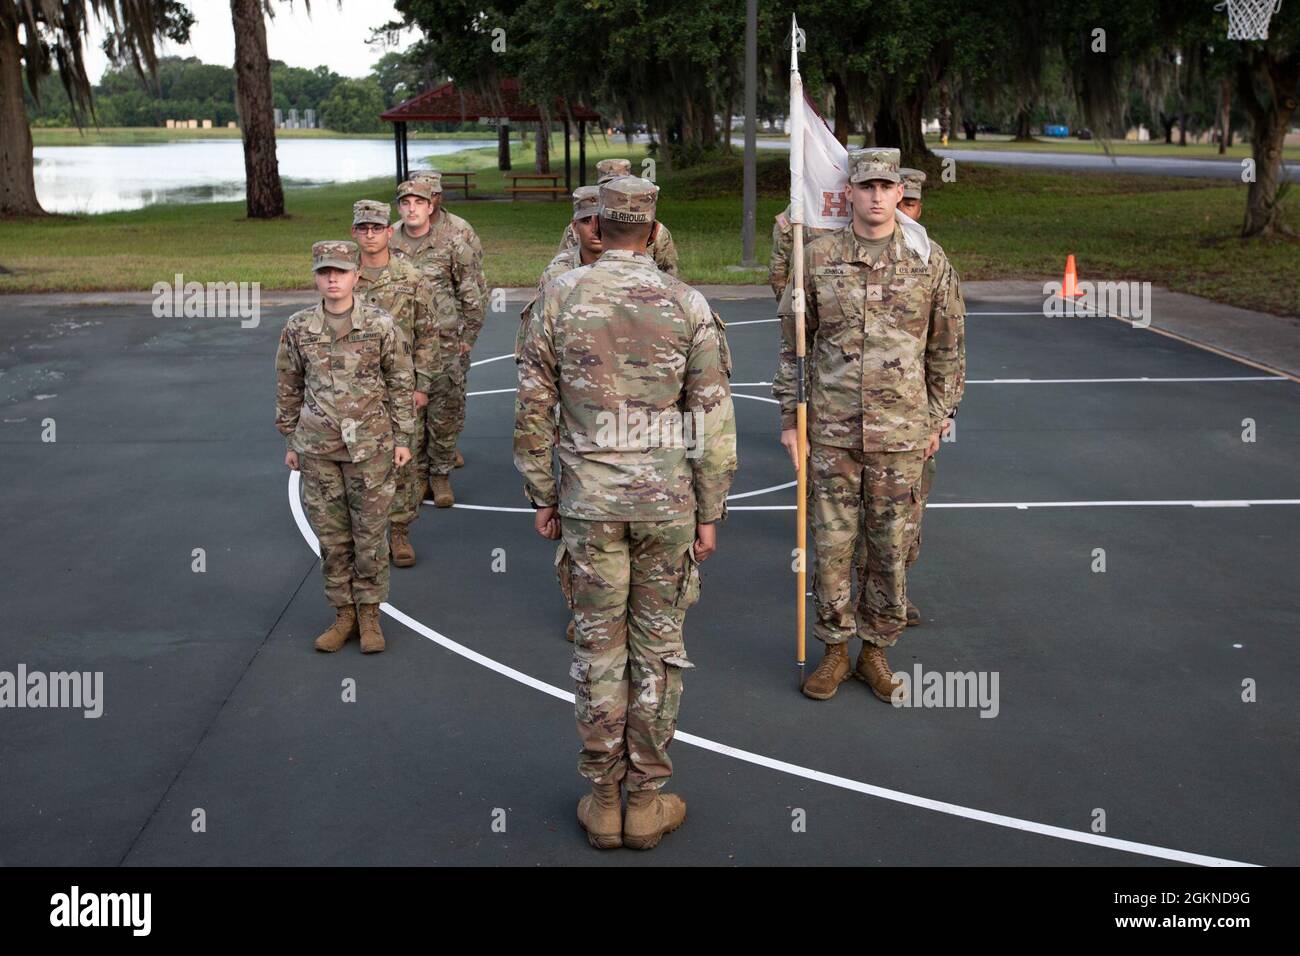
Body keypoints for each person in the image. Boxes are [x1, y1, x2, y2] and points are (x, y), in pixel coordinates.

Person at [515, 176, 737, 850]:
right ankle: (645, 800)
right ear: (651, 227)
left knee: (599, 647)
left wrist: (543, 494)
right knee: (658, 646)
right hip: (666, 501)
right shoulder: (685, 302)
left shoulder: (559, 297)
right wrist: (710, 509)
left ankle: (603, 795)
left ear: (597, 226)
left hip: (590, 499)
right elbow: (711, 419)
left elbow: (532, 408)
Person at [773, 148, 965, 703]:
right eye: (868, 186)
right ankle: (834, 650)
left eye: (887, 187)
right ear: (850, 192)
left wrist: (938, 416)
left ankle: (875, 652)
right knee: (830, 545)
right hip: (831, 430)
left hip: (902, 433)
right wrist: (790, 417)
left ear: (899, 194)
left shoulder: (927, 258)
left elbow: (948, 347)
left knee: (888, 546)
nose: (878, 197)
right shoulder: (819, 256)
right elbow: (793, 348)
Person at [275, 240, 415, 654]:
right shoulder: (299, 327)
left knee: (370, 535)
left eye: (340, 271)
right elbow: (288, 385)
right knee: (333, 540)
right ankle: (343, 615)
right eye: (324, 271)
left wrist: (404, 438)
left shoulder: (379, 324)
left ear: (357, 275)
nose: (332, 278)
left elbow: (401, 382)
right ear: (316, 276)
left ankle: (370, 615)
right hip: (318, 448)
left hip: (370, 448)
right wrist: (290, 437)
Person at [350, 199, 441, 567]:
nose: (370, 235)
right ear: (354, 233)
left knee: (404, 459)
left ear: (390, 232)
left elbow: (427, 333)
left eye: (377, 228)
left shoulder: (410, 277)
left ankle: (400, 531)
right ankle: (366, 536)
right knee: (357, 462)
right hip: (354, 388)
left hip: (400, 384)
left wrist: (423, 383)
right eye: (363, 228)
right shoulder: (344, 276)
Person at [389, 172, 486, 506]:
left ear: (431, 206)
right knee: (407, 415)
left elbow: (472, 293)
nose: (412, 209)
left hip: (445, 342)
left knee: (445, 413)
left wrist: (468, 337)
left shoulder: (452, 242)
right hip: (399, 347)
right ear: (399, 208)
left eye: (419, 202)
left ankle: (440, 476)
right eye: (406, 203)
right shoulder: (388, 243)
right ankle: (415, 477)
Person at [558, 159, 678, 276]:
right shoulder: (576, 229)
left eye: (622, 184)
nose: (616, 191)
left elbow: (669, 274)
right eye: (609, 186)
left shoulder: (655, 230)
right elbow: (563, 265)